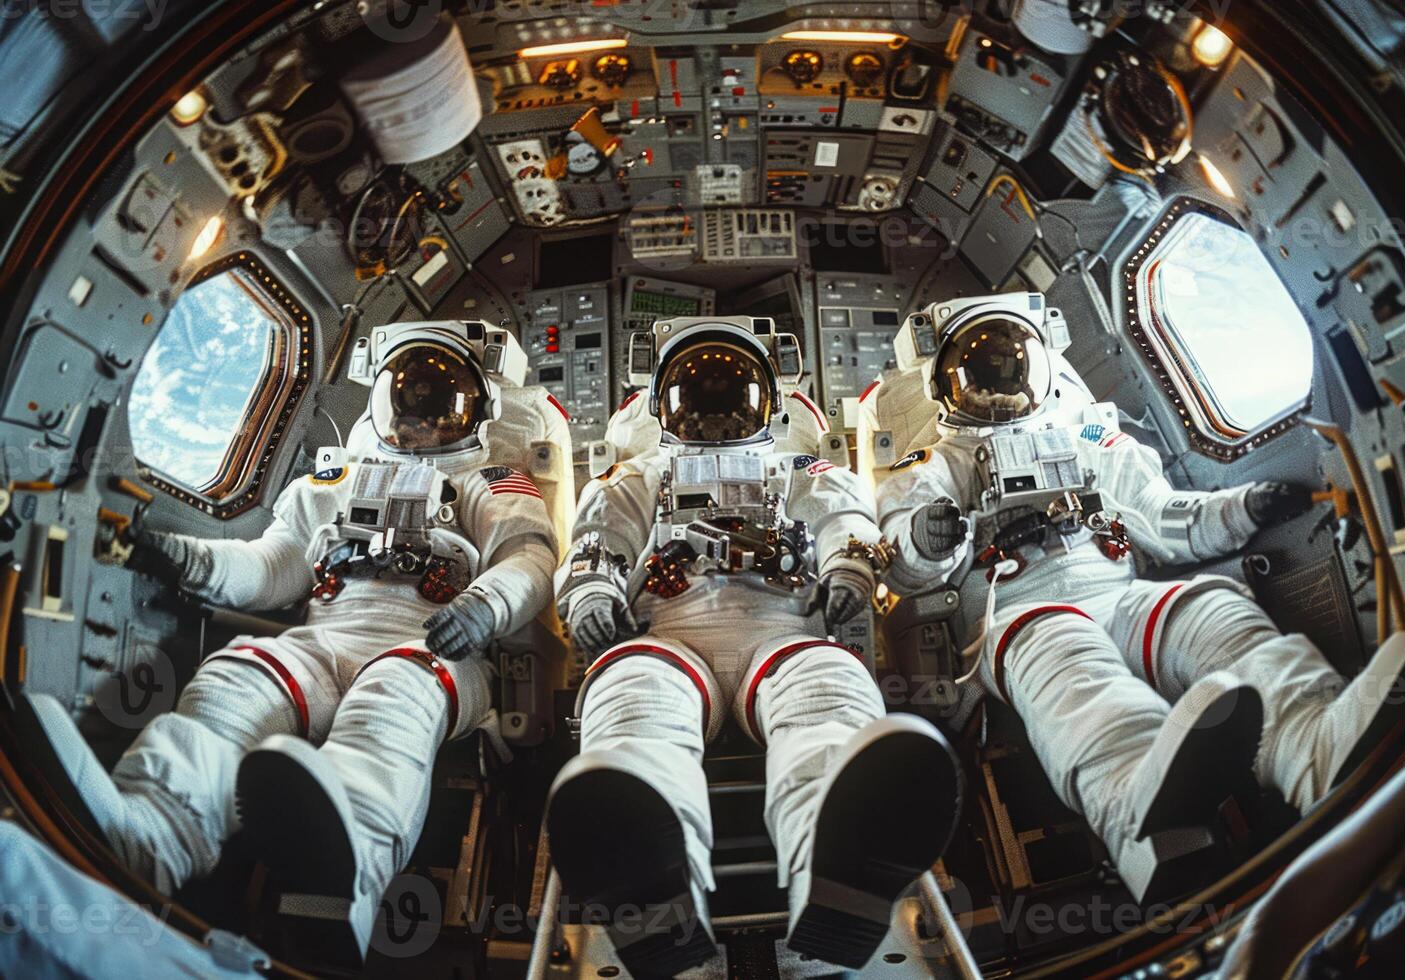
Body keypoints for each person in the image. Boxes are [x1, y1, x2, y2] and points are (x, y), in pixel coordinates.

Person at [32, 320, 558, 959]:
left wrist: (483, 606)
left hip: (438, 650)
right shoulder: (329, 485)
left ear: (473, 412)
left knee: (393, 697)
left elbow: (530, 560)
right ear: (382, 404)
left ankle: (355, 862)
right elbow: (271, 565)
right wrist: (185, 557)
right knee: (240, 673)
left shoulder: (490, 482)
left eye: (438, 408)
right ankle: (153, 835)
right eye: (406, 403)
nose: (419, 424)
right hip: (324, 643)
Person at [549, 316, 962, 973]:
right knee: (634, 701)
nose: (714, 415)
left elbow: (845, 520)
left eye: (730, 396)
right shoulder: (636, 477)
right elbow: (596, 543)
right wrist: (593, 596)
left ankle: (838, 869)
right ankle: (652, 889)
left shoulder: (800, 467)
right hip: (670, 633)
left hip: (783, 631)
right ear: (663, 408)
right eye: (698, 398)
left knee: (829, 690)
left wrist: (848, 573)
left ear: (767, 404)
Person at [877, 295, 1289, 901]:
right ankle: (1139, 816)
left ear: (1038, 371)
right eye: (982, 376)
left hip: (1119, 599)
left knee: (1212, 608)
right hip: (1019, 616)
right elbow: (905, 567)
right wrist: (925, 536)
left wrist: (1242, 507)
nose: (998, 390)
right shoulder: (936, 468)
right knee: (1071, 661)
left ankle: (1317, 741)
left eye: (1009, 371)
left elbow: (1162, 516)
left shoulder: (1092, 435)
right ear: (948, 388)